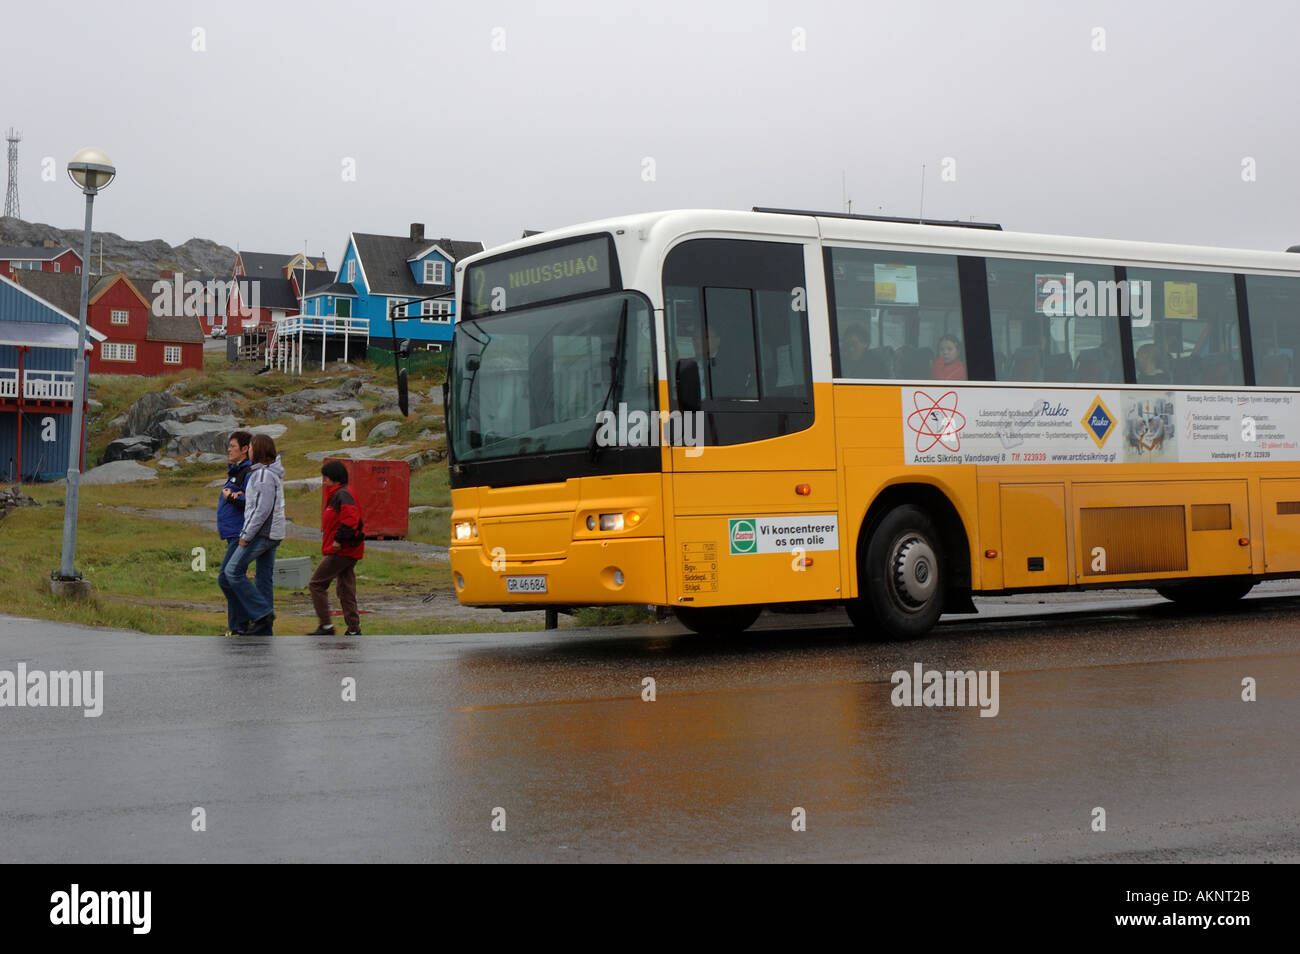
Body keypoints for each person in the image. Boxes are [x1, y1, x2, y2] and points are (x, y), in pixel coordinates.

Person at [224, 434, 286, 636]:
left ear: (257, 450)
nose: (248, 450)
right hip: (272, 533)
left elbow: (260, 510)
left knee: (232, 571)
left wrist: (245, 535)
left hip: (261, 534)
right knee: (263, 579)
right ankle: (264, 629)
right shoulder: (270, 473)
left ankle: (262, 613)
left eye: (250, 447)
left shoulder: (262, 476)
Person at [308, 460, 365, 636]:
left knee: (316, 584)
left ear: (334, 478)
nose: (323, 481)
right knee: (345, 589)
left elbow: (350, 520)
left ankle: (326, 626)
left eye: (325, 478)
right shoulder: (338, 494)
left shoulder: (343, 494)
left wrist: (338, 540)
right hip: (349, 550)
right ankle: (354, 629)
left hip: (342, 550)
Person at [216, 430, 253, 637]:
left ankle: (246, 620)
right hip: (232, 534)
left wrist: (232, 498)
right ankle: (236, 627)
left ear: (245, 449)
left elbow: (251, 502)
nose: (229, 450)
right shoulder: (235, 472)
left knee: (227, 577)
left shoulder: (248, 473)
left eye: (232, 446)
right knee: (230, 578)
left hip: (240, 535)